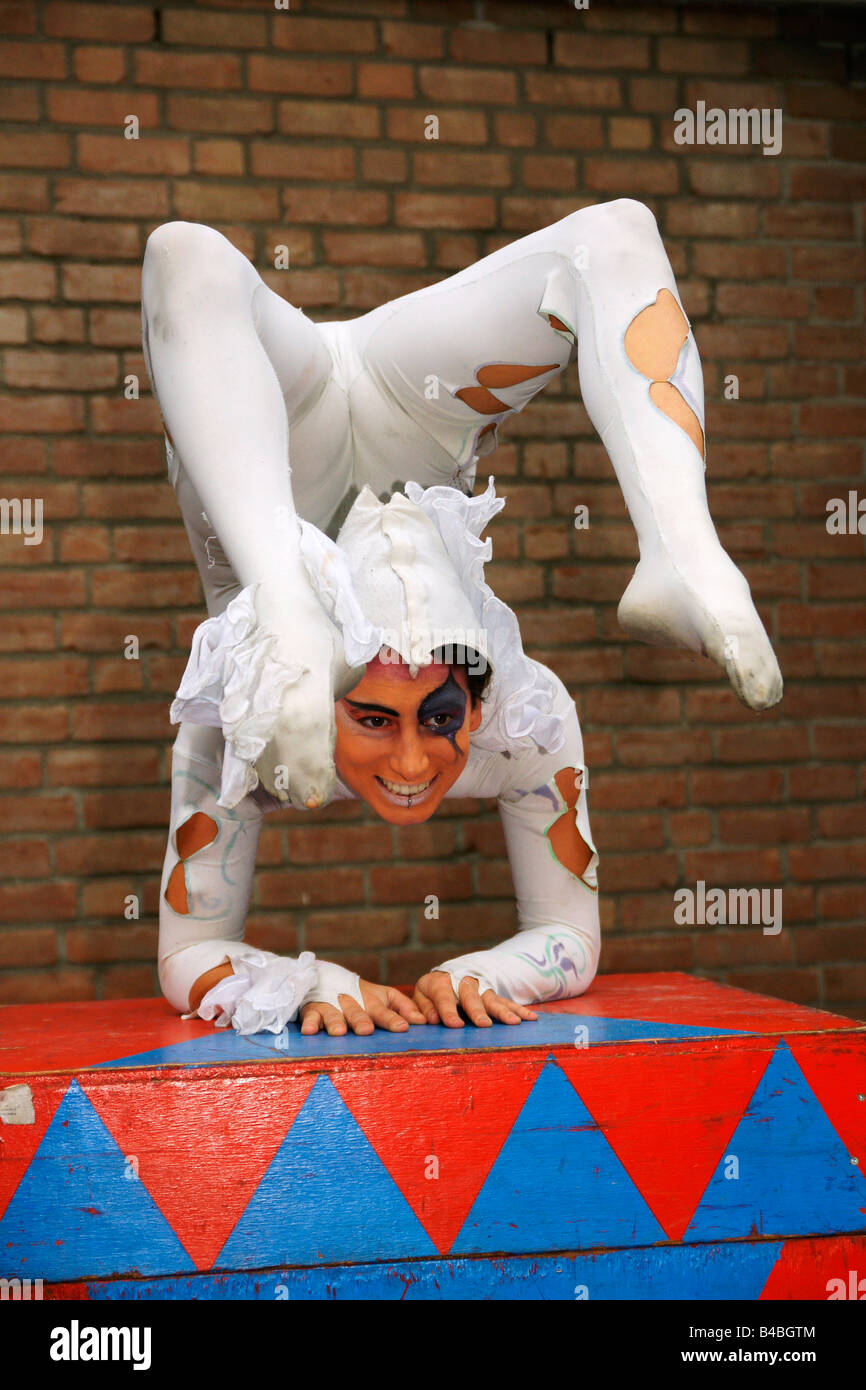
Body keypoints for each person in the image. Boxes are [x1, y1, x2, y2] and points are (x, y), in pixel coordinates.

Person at [141, 198, 783, 838]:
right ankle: (681, 546)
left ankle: (282, 603)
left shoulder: (229, 730)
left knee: (185, 255)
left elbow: (194, 938)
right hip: (411, 432)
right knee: (617, 232)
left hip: (276, 451)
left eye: (390, 720)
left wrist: (274, 605)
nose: (411, 761)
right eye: (391, 719)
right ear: (478, 715)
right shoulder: (525, 717)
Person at [157, 482, 600, 1037]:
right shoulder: (240, 725)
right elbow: (184, 953)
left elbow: (571, 932)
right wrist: (302, 984)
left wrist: (484, 974)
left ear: (481, 707)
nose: (412, 765)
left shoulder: (532, 720)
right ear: (315, 706)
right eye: (374, 721)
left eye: (441, 719)